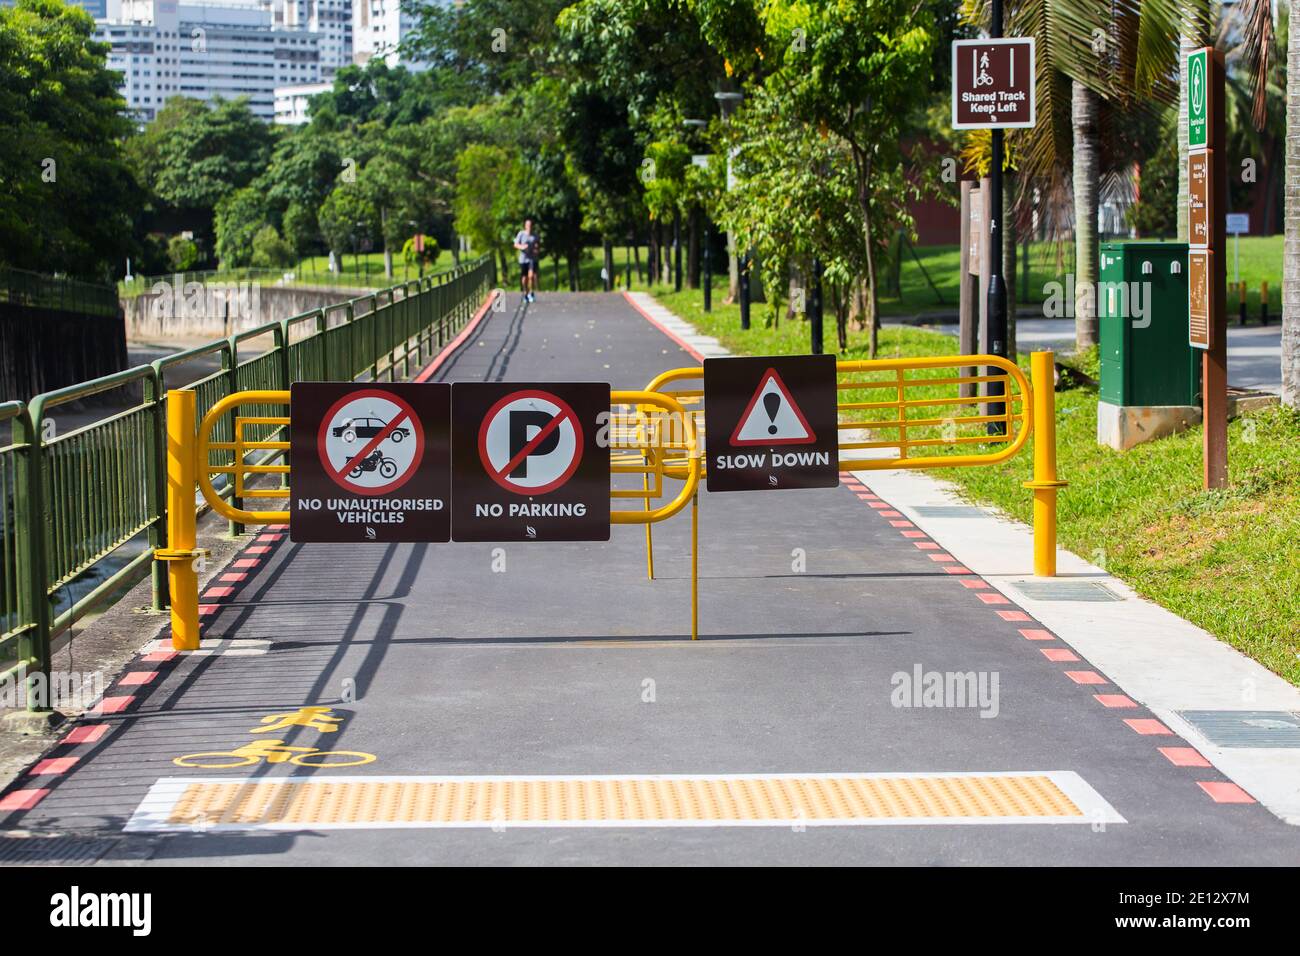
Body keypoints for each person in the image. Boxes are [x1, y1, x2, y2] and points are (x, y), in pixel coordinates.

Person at [513, 219, 540, 302]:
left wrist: (536, 250)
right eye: (528, 225)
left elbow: (537, 246)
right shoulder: (521, 234)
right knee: (524, 278)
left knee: (531, 276)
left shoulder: (535, 236)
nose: (529, 227)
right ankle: (525, 293)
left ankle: (531, 293)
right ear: (525, 226)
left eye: (531, 225)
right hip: (523, 259)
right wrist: (522, 247)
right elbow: (515, 244)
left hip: (531, 259)